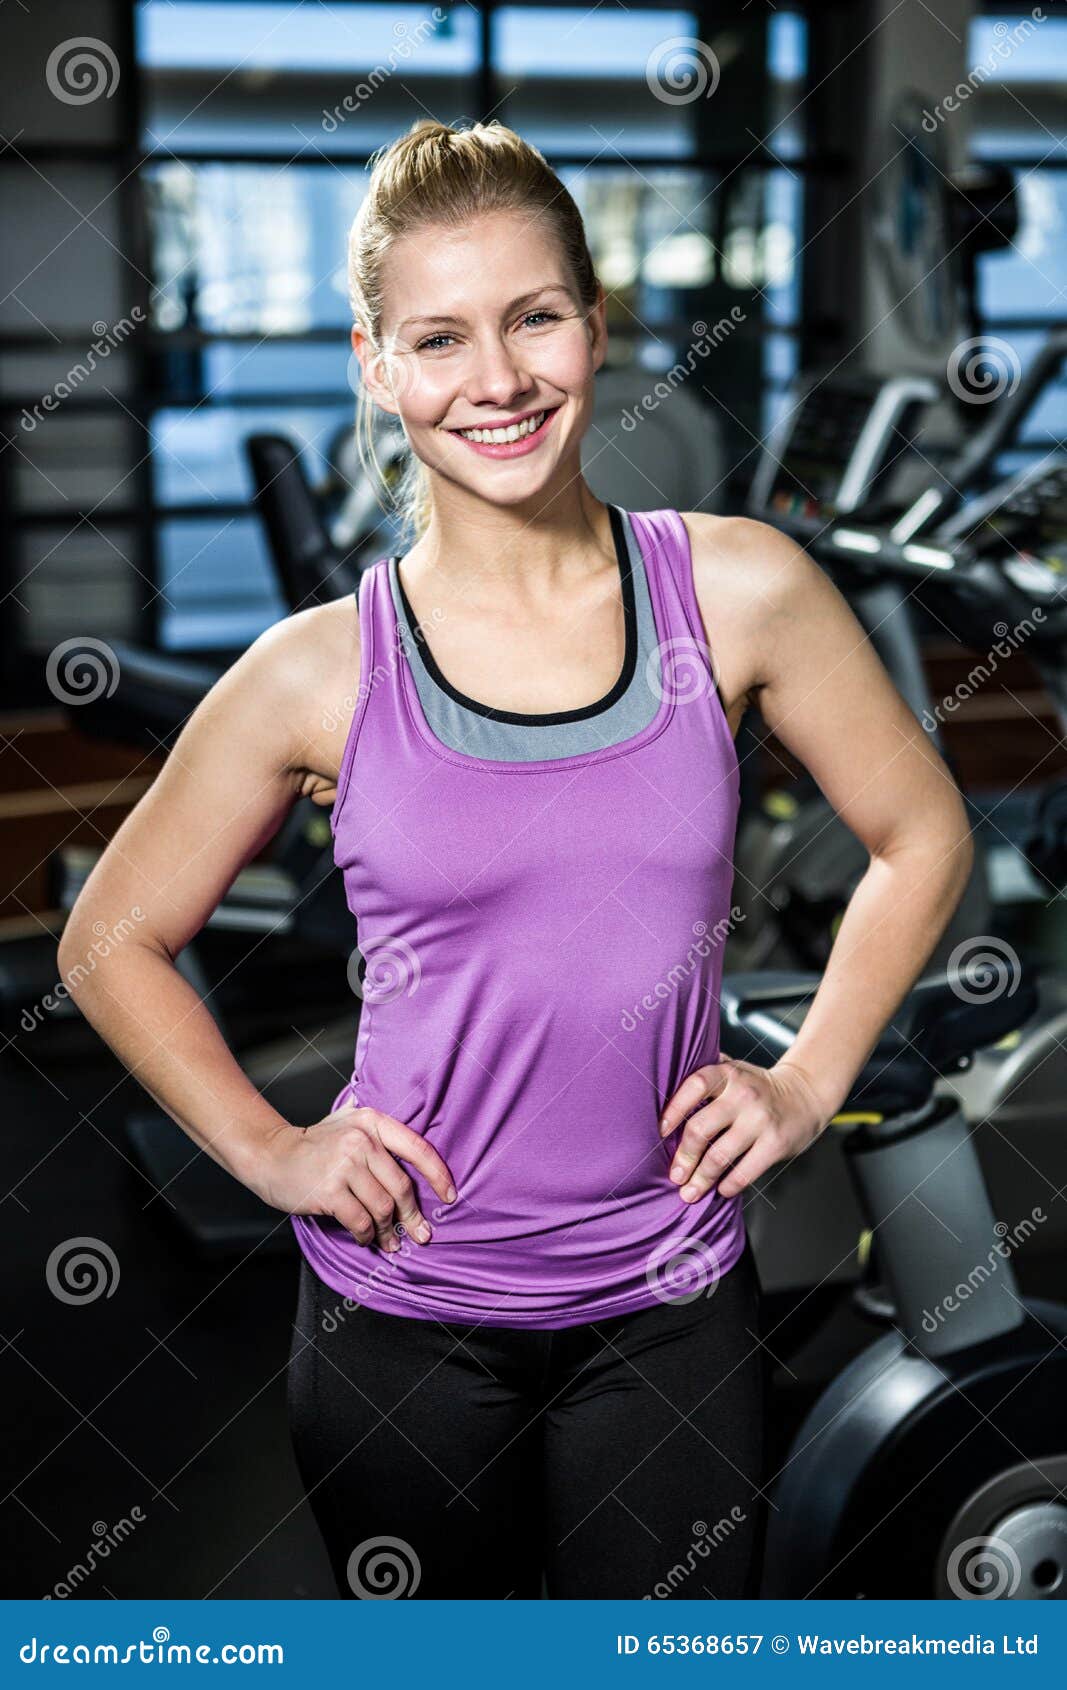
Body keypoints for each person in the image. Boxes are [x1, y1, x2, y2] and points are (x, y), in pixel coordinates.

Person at [58, 118, 975, 1602]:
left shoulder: (738, 588)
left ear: (596, 325)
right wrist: (271, 1148)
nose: (495, 380)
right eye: (439, 338)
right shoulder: (315, 671)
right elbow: (106, 938)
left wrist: (806, 1081)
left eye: (534, 317)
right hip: (401, 1320)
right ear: (376, 361)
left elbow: (921, 831)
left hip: (671, 1308)